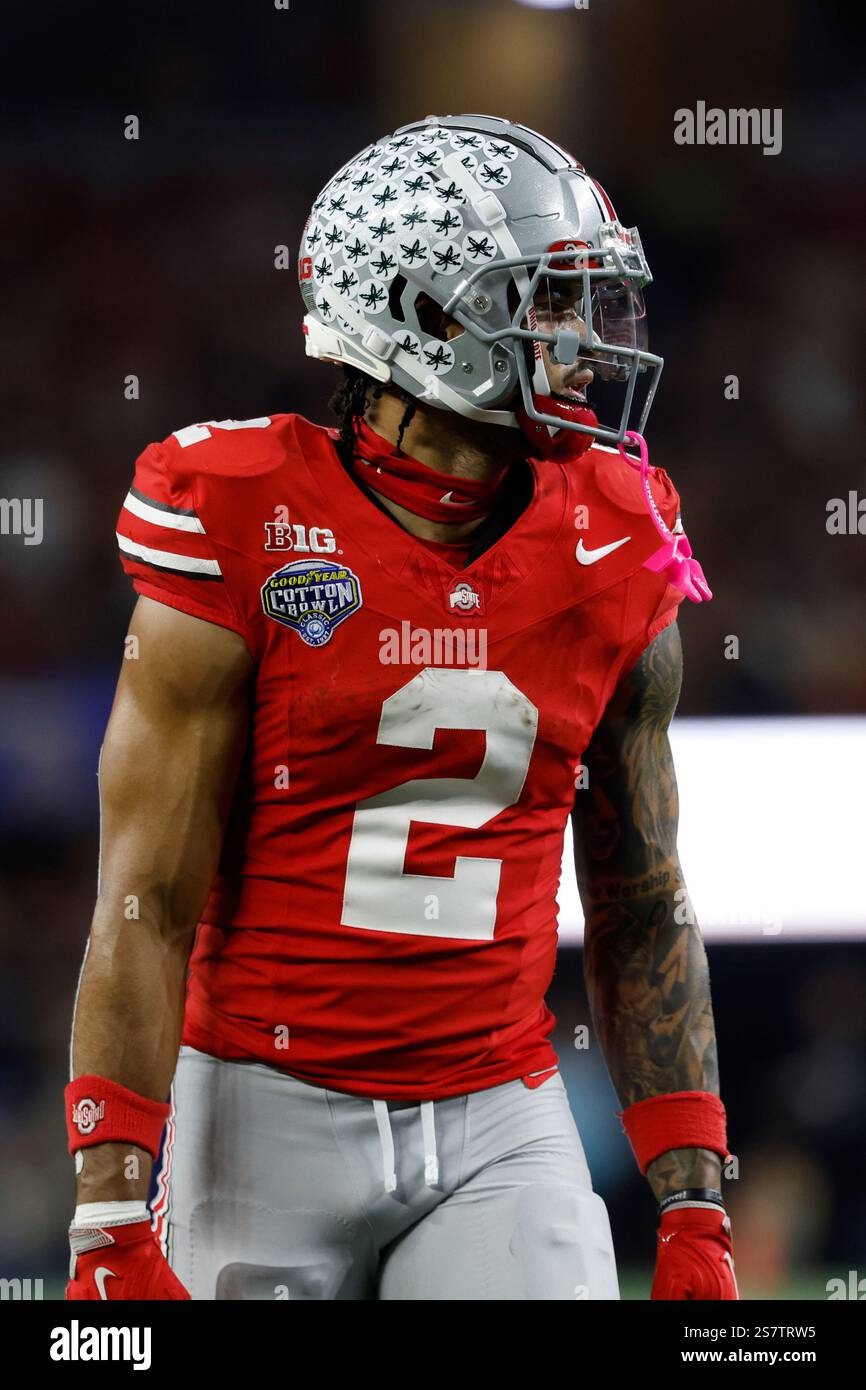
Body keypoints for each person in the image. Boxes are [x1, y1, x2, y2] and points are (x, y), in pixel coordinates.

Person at [65, 113, 735, 1300]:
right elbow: (147, 893)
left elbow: (640, 898)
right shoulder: (239, 511)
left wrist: (690, 1205)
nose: (579, 342)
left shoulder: (616, 528)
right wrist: (108, 1210)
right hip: (264, 1107)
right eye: (544, 299)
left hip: (501, 1110)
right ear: (423, 311)